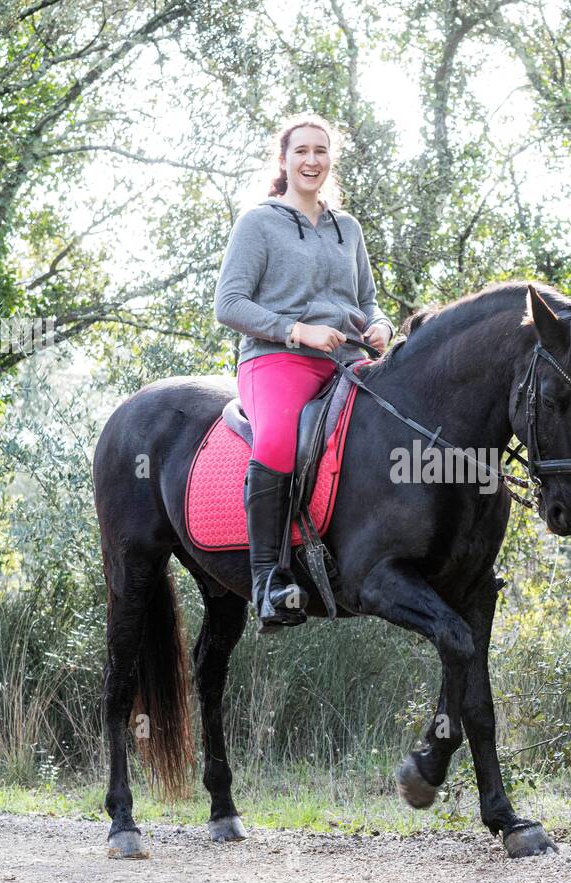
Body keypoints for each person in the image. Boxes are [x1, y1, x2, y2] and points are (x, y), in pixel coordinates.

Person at [214, 113, 394, 631]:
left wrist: (378, 326)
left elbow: (367, 302)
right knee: (277, 443)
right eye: (301, 152)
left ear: (329, 160)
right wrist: (296, 330)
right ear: (284, 160)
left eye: (321, 151)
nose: (312, 160)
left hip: (349, 361)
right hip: (278, 358)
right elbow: (228, 304)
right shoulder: (259, 223)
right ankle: (269, 581)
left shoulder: (348, 228)